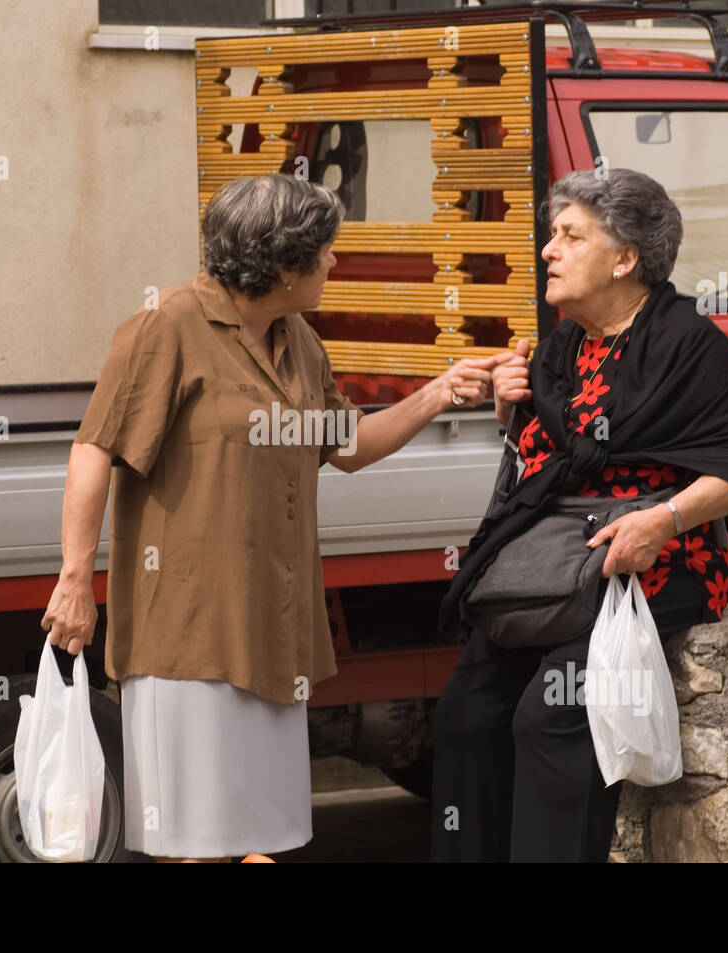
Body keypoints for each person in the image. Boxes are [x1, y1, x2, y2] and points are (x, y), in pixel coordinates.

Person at [40, 173, 506, 863]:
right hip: (189, 637)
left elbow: (345, 446)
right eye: (324, 251)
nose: (334, 263)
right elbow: (93, 449)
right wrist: (75, 578)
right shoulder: (164, 327)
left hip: (272, 634)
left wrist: (440, 392)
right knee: (193, 845)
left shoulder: (297, 341)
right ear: (282, 262)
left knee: (258, 837)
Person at [431, 167, 728, 863]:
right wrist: (513, 406)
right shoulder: (563, 344)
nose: (547, 251)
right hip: (556, 560)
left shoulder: (689, 344)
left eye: (569, 236)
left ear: (625, 258)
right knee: (467, 713)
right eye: (551, 234)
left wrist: (663, 520)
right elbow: (545, 454)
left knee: (551, 715)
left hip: (652, 563)